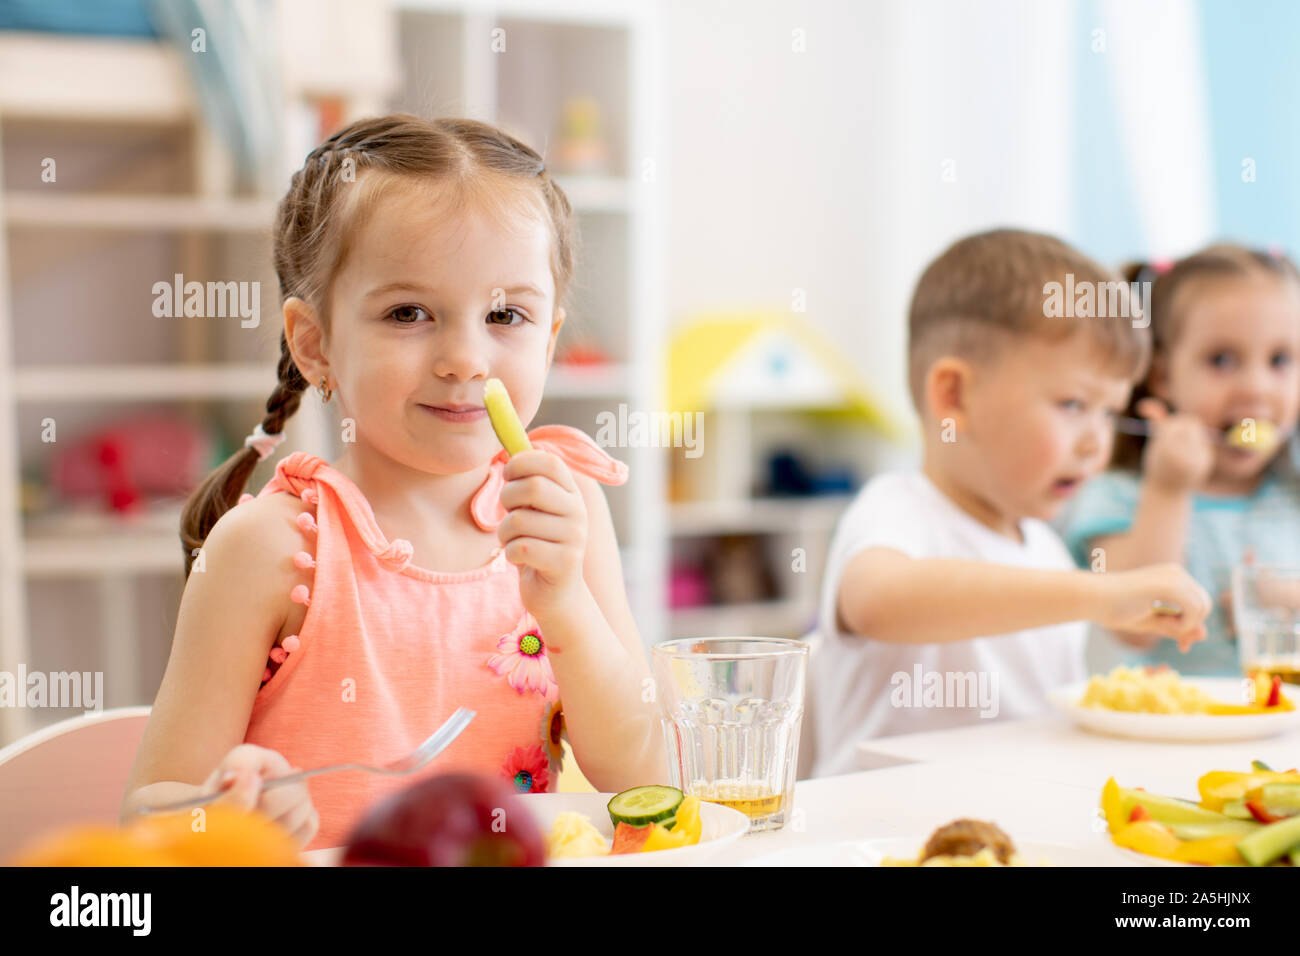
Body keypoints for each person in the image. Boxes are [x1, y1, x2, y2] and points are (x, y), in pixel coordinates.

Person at [122, 115, 664, 850]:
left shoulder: (567, 515)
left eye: (506, 314)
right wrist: (223, 812)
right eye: (409, 313)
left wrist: (565, 601)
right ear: (315, 345)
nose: (466, 357)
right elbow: (148, 813)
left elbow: (641, 776)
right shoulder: (273, 547)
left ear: (550, 337)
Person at [811, 229, 1211, 777]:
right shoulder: (897, 509)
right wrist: (1099, 593)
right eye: (1073, 404)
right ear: (955, 396)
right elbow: (878, 601)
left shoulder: (1044, 550)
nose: (1097, 441)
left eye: (1108, 412)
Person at [1061, 245, 1300, 674]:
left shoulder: (1293, 492)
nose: (1257, 387)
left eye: (1280, 360)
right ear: (1163, 377)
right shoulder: (1116, 497)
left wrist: (1287, 602)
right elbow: (1136, 628)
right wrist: (1169, 489)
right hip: (1171, 731)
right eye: (1222, 360)